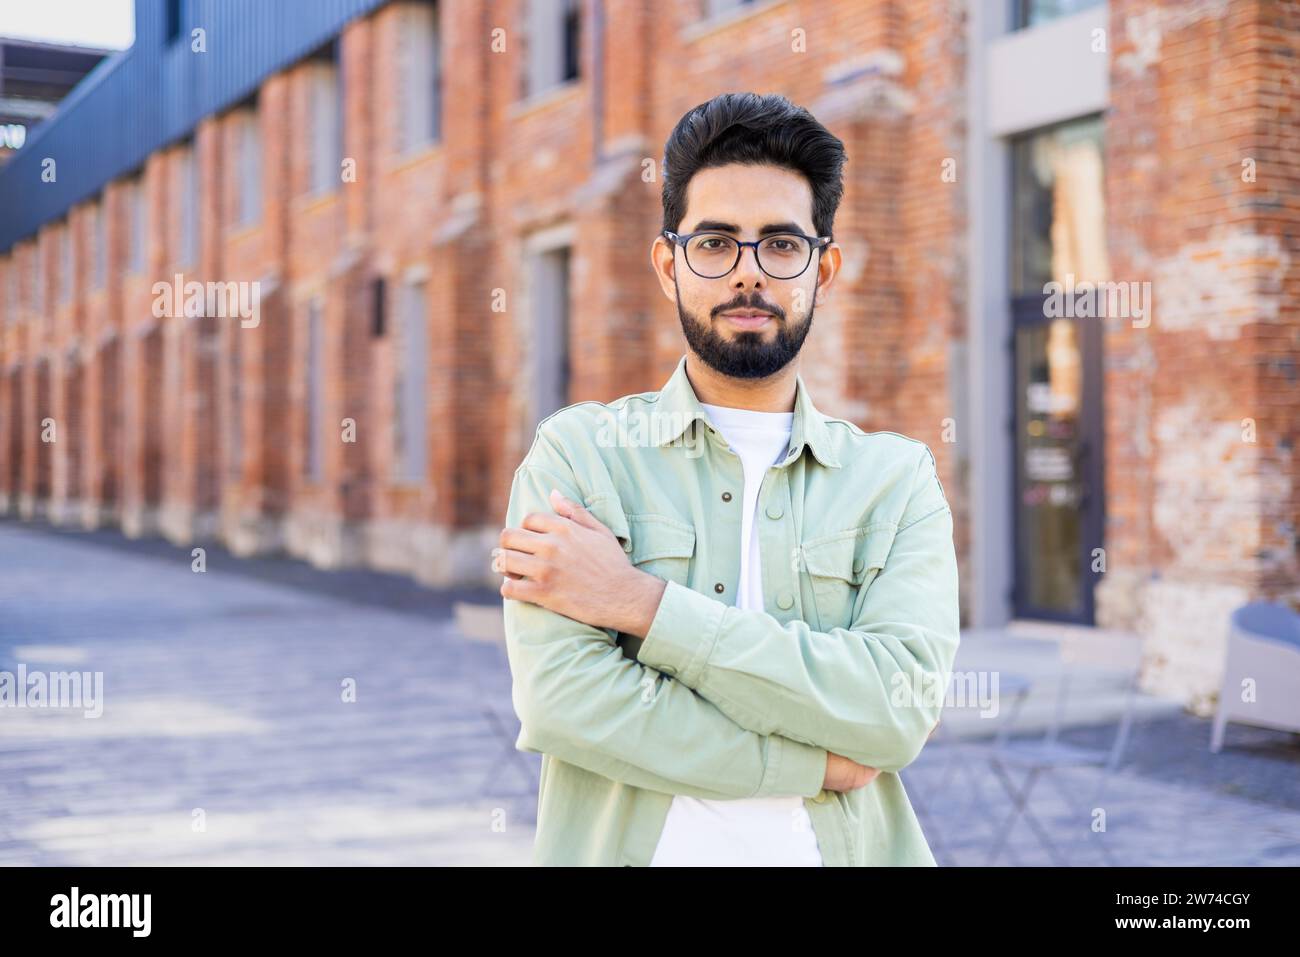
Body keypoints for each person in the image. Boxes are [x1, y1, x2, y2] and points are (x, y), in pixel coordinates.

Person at [494, 92, 960, 866]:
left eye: (781, 245)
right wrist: (810, 764)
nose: (749, 275)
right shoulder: (579, 457)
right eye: (715, 243)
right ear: (668, 263)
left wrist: (639, 604)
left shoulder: (895, 480)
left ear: (826, 266)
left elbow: (894, 711)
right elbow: (566, 702)